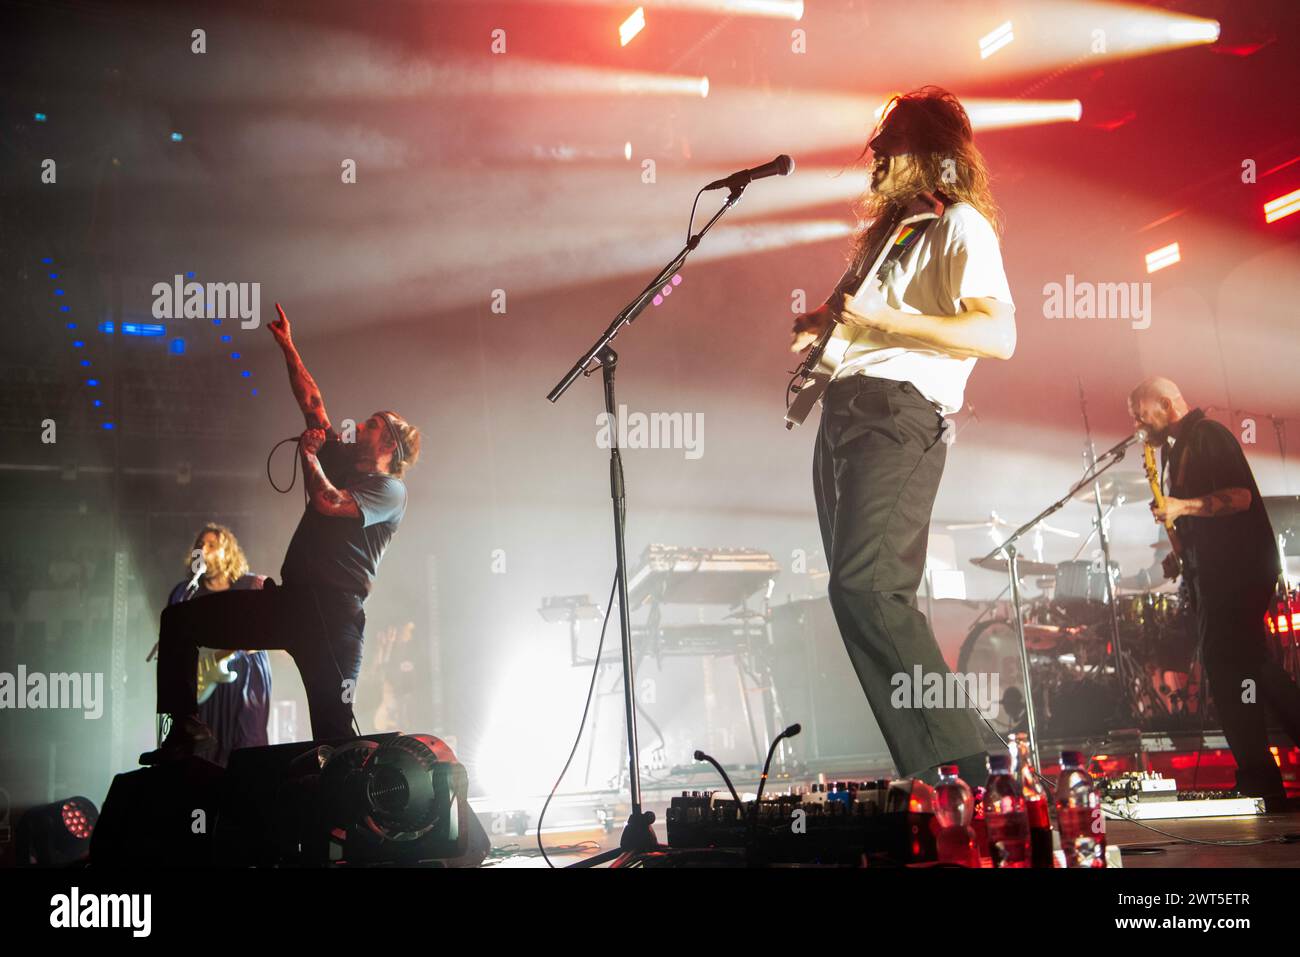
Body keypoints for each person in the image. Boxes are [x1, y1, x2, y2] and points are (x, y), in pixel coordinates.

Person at [790, 87, 1016, 785]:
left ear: (930, 152)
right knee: (863, 592)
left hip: (900, 414)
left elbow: (997, 333)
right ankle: (962, 754)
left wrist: (886, 324)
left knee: (868, 590)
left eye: (890, 140)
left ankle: (966, 766)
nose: (876, 153)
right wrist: (825, 326)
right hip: (846, 414)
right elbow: (863, 317)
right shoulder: (894, 235)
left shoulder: (962, 226)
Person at [140, 303, 421, 763]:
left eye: (371, 425)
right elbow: (314, 406)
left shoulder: (391, 490)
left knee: (333, 737)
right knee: (181, 622)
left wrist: (310, 458)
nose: (361, 426)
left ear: (389, 443)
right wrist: (288, 345)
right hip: (291, 603)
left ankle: (349, 817)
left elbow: (328, 503)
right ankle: (185, 734)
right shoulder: (348, 463)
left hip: (333, 618)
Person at [1129, 376, 1299, 807]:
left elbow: (1240, 497)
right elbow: (1202, 517)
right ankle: (1260, 778)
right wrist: (1181, 554)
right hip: (1216, 574)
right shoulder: (1173, 451)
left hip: (1240, 572)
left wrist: (1180, 507)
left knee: (1237, 669)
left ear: (1167, 405)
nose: (1136, 421)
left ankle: (1261, 778)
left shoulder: (1208, 435)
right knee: (1244, 670)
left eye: (1141, 412)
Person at [166, 524, 272, 766]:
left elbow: (269, 628)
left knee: (246, 746)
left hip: (246, 673)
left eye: (212, 545)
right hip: (204, 678)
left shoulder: (251, 585)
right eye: (200, 545)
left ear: (228, 553)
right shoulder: (186, 593)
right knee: (206, 749)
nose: (204, 550)